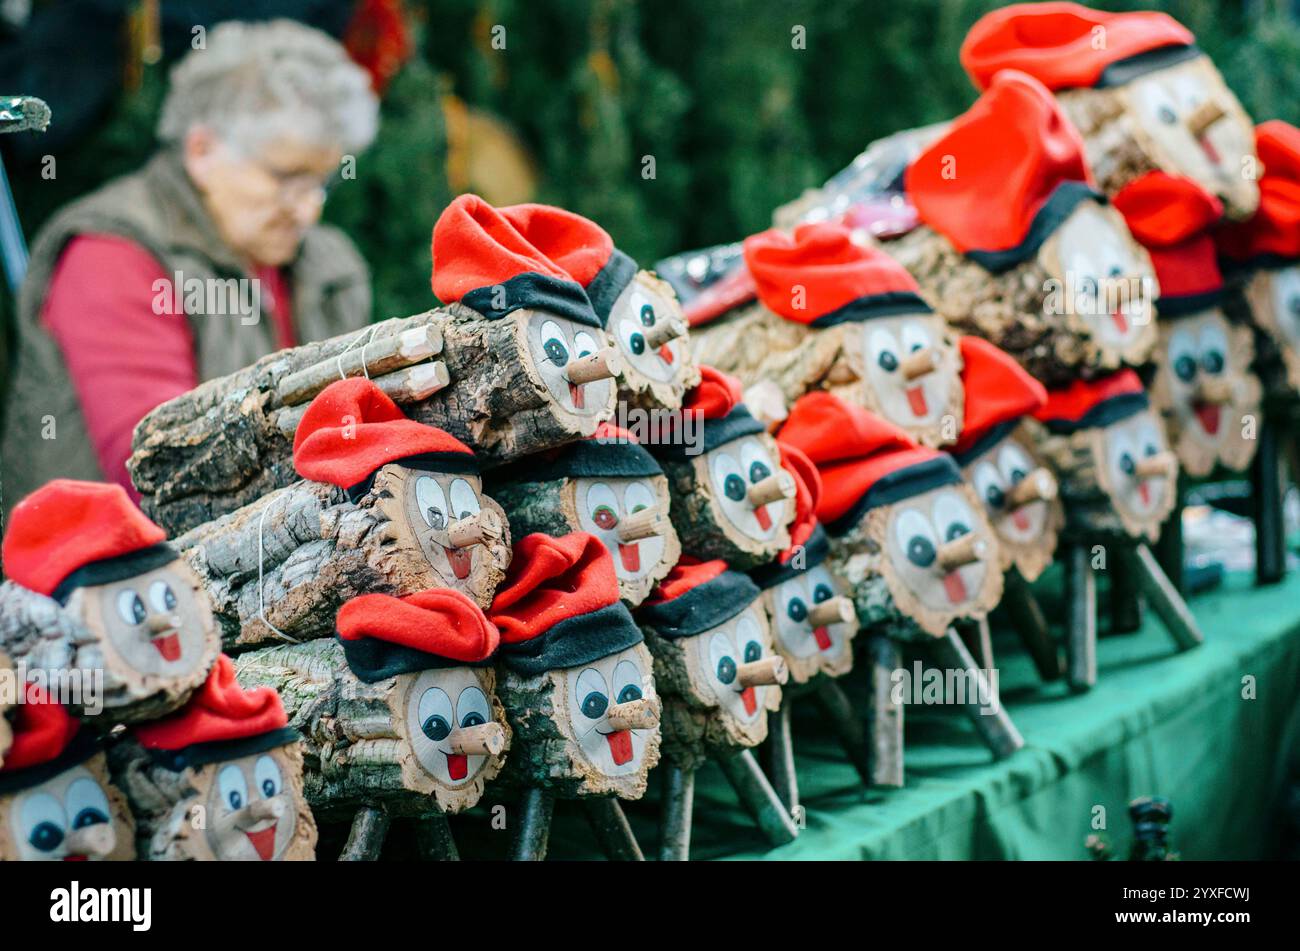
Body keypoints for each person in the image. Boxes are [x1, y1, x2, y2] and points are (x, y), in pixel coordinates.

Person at [1, 19, 379, 515]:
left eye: (321, 183)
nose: (309, 210)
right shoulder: (112, 252)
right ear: (201, 151)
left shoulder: (327, 263)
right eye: (286, 179)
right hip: (114, 576)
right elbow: (160, 469)